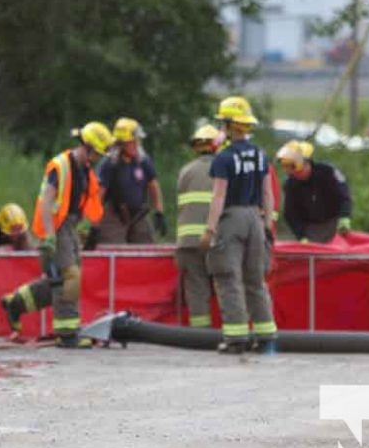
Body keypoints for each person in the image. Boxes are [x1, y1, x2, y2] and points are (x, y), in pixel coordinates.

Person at [1, 121, 114, 347]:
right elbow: (46, 202)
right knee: (70, 277)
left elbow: (81, 204)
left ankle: (16, 303)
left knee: (57, 282)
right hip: (56, 228)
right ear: (88, 147)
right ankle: (67, 334)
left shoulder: (85, 171)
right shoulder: (60, 166)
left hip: (69, 228)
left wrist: (83, 229)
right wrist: (50, 236)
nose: (98, 159)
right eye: (97, 154)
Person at [201, 96, 277, 354]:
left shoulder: (224, 158)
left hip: (232, 219)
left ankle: (236, 337)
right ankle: (266, 336)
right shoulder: (260, 155)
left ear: (231, 125)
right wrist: (267, 224)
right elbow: (268, 194)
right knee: (255, 279)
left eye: (223, 123)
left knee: (228, 277)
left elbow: (218, 197)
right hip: (255, 220)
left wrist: (210, 230)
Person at [175, 124, 220, 328]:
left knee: (196, 289)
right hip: (216, 240)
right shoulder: (224, 169)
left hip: (188, 242)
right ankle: (233, 330)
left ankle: (200, 333)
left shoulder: (186, 171)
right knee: (226, 285)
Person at [96, 117, 166, 243]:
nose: (137, 144)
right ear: (121, 143)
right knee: (113, 251)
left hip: (139, 213)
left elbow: (153, 186)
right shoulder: (109, 163)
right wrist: (94, 223)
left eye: (137, 141)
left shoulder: (143, 161)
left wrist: (159, 212)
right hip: (113, 214)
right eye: (133, 141)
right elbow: (99, 193)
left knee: (146, 248)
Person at [276, 140, 352, 243]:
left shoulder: (327, 172)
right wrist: (301, 236)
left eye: (297, 169)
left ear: (307, 163)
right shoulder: (291, 184)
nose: (295, 174)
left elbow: (344, 195)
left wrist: (344, 216)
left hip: (334, 222)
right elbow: (290, 214)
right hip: (311, 228)